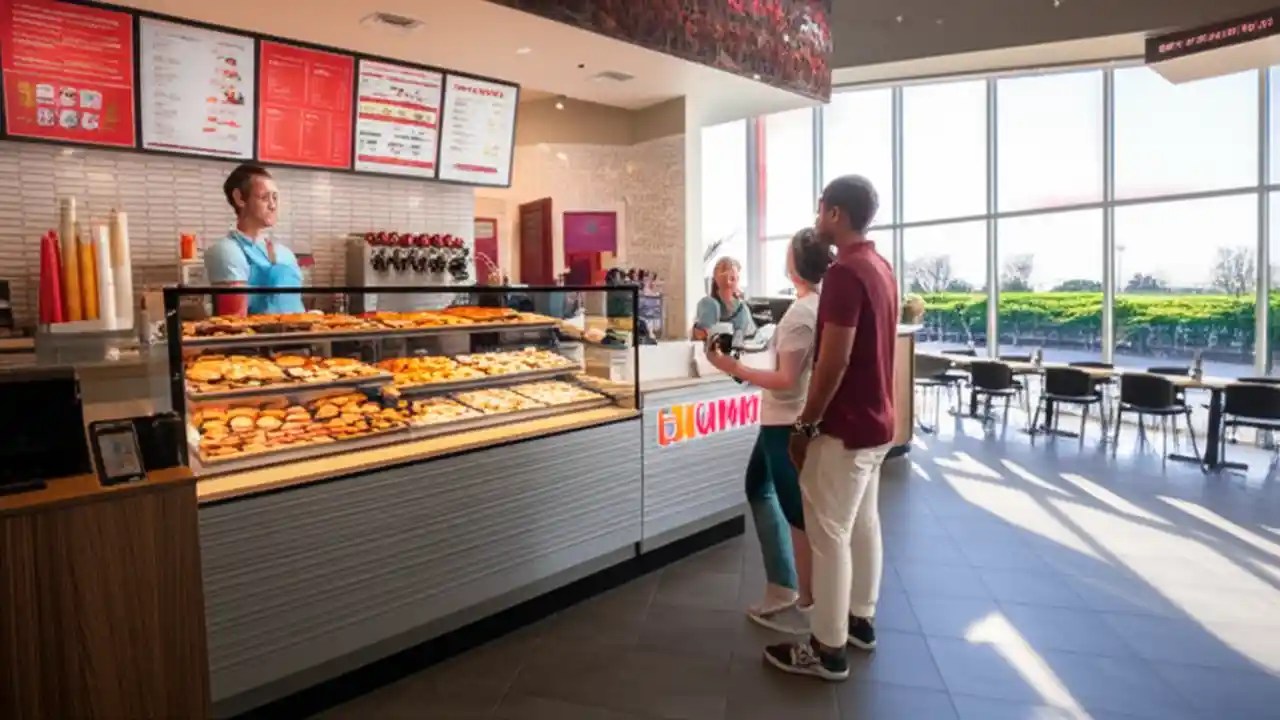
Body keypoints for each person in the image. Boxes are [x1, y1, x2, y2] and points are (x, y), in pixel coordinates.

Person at [763, 175, 898, 681]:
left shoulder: (844, 273)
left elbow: (834, 360)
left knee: (829, 534)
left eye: (821, 208)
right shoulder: (881, 267)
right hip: (879, 423)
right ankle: (860, 620)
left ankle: (827, 647)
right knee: (863, 524)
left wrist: (806, 424)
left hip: (845, 426)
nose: (817, 217)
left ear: (836, 213)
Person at [705, 229, 832, 631]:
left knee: (795, 511)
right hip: (780, 419)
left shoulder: (800, 314)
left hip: (784, 423)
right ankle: (784, 584)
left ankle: (805, 602)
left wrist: (734, 367)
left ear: (794, 264)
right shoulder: (814, 305)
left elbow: (786, 379)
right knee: (758, 486)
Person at [204, 163, 305, 316]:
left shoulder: (285, 253)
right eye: (264, 197)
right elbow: (233, 321)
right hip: (256, 332)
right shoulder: (226, 251)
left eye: (275, 198)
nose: (273, 206)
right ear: (239, 198)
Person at [691, 256, 756, 342]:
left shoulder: (741, 309)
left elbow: (749, 336)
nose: (734, 282)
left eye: (736, 278)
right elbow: (699, 336)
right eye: (733, 278)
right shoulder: (709, 305)